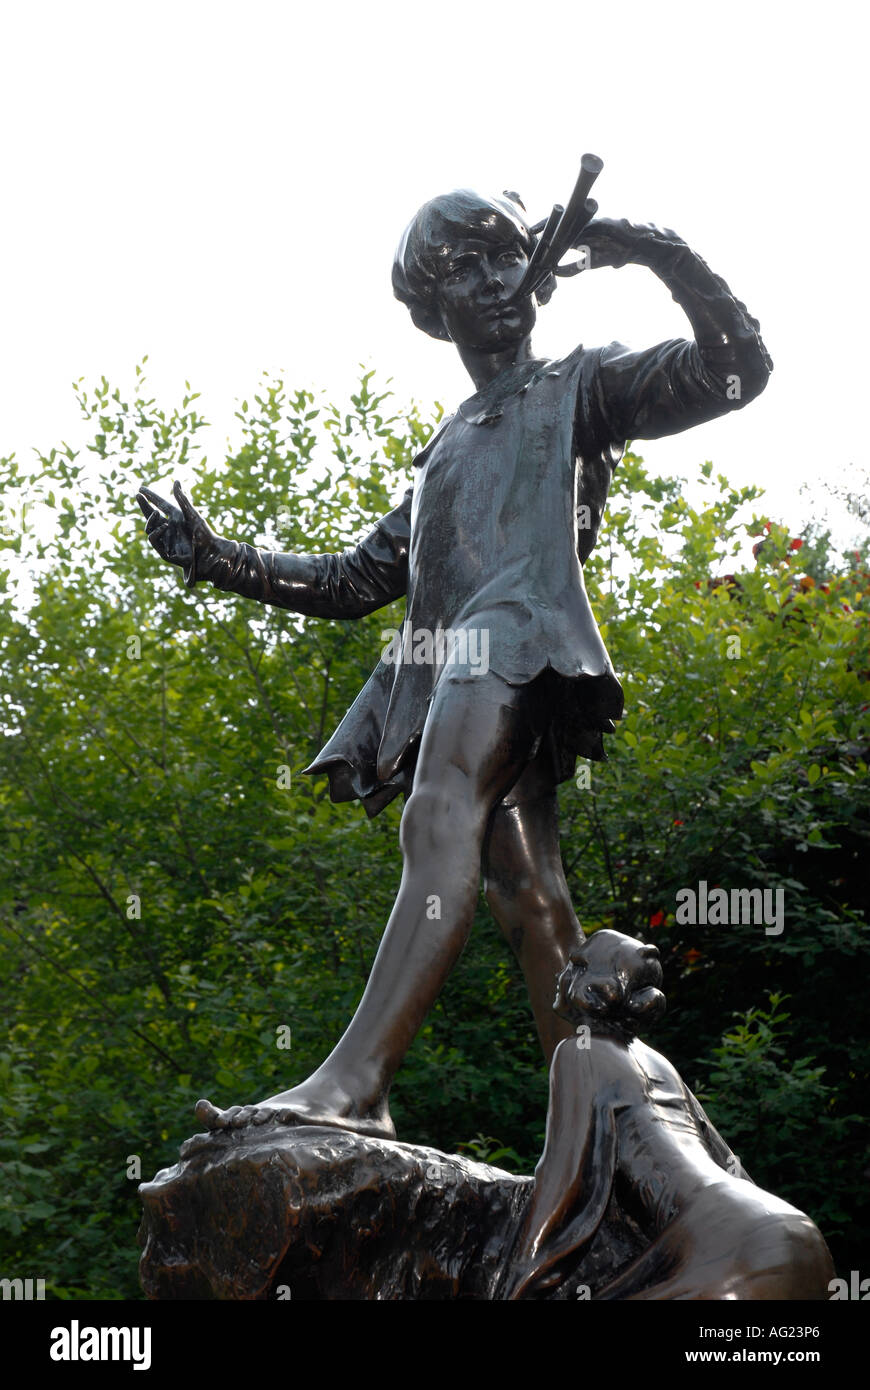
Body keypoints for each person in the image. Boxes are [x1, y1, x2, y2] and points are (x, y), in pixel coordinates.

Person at [137, 184, 772, 1142]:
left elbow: (738, 369)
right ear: (434, 313)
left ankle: (357, 1085)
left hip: (515, 641)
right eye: (461, 270)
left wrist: (648, 245)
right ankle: (625, 1136)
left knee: (439, 816)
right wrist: (218, 557)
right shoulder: (445, 450)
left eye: (504, 255)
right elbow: (356, 577)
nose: (492, 280)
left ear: (538, 269)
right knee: (535, 906)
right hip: (455, 665)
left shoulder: (580, 386)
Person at [500, 930, 834, 1300]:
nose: (561, 976)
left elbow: (564, 1177)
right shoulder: (661, 1064)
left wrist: (519, 1275)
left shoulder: (581, 1051)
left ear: (591, 983)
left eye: (574, 965)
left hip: (734, 1244)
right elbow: (727, 1161)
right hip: (793, 1231)